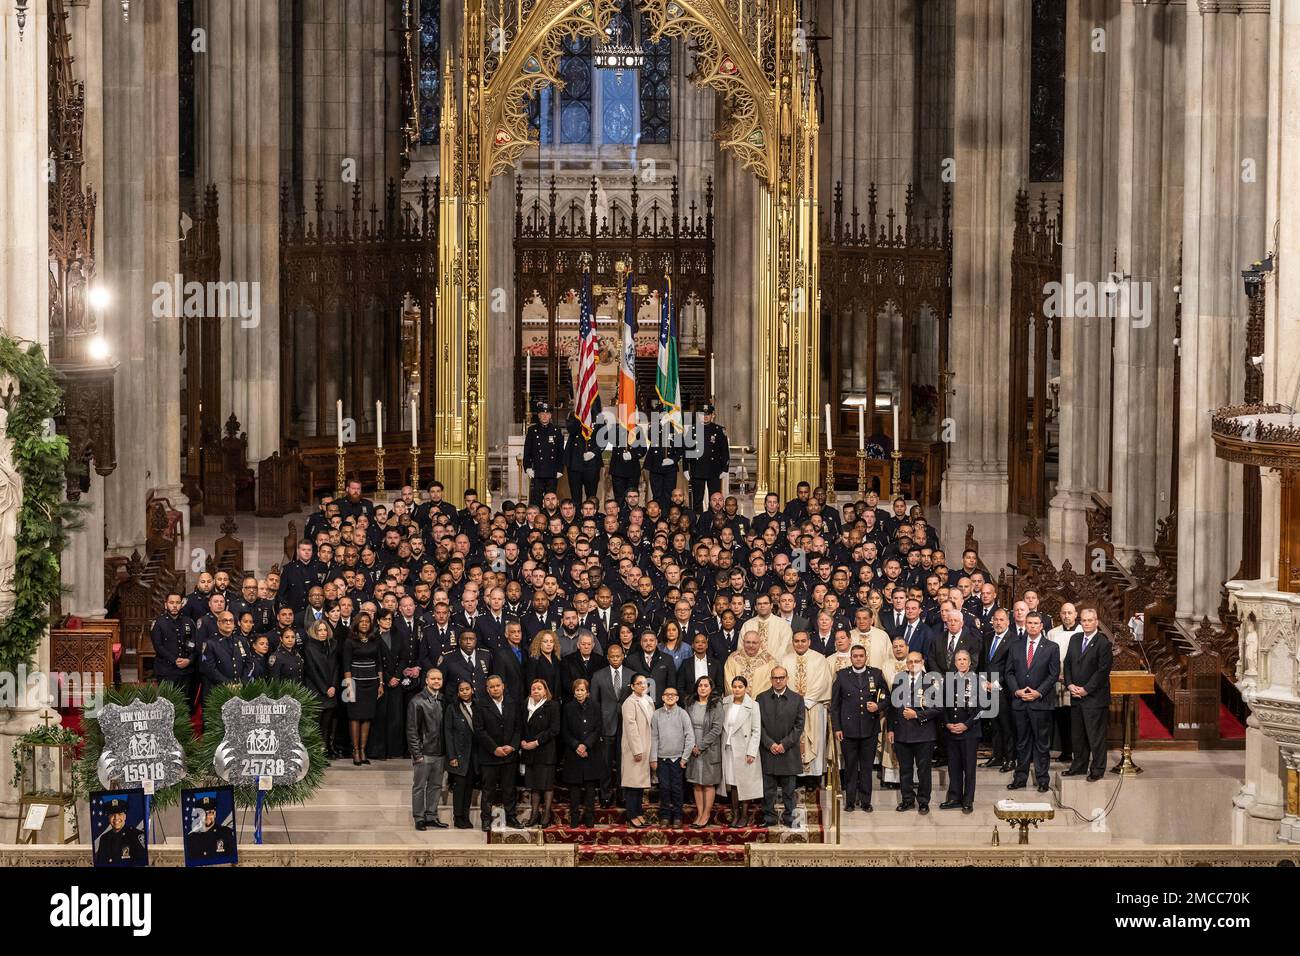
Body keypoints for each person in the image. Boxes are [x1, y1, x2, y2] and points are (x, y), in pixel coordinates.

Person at [1005, 611, 1060, 793]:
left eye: (1036, 623)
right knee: (1021, 742)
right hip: (1020, 702)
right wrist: (1017, 691)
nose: (1033, 626)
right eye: (1029, 623)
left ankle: (1042, 779)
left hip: (1040, 702)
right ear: (1025, 625)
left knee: (1041, 743)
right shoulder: (1015, 646)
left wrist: (1038, 692)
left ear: (1042, 625)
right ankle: (1020, 778)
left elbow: (1053, 675)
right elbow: (1009, 672)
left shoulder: (1051, 647)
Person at [830, 644, 887, 812]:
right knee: (850, 767)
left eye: (861, 656)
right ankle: (850, 801)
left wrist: (878, 706)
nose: (858, 659)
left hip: (869, 728)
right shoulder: (842, 675)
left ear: (865, 657)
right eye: (855, 656)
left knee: (867, 767)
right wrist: (837, 728)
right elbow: (835, 706)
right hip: (848, 729)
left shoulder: (875, 674)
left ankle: (866, 801)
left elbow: (886, 697)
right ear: (851, 658)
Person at [1062, 606, 1113, 781]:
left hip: (1094, 698)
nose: (1087, 623)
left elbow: (1102, 672)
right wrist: (1069, 684)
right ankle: (1079, 766)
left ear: (1096, 622)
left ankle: (1097, 769)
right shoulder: (1075, 639)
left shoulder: (1103, 643)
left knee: (1095, 736)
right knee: (1078, 735)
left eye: (1090, 620)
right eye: (1084, 620)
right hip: (1076, 695)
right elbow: (1067, 663)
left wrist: (1085, 689)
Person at [888, 650, 938, 813]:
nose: (913, 664)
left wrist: (917, 714)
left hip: (923, 733)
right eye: (910, 661)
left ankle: (923, 801)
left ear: (922, 662)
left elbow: (938, 708)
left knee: (924, 771)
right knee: (905, 769)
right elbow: (892, 706)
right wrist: (890, 729)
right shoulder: (899, 679)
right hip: (902, 733)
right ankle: (907, 799)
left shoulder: (930, 681)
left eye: (916, 661)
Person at [756, 667, 805, 827]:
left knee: (789, 790)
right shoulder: (761, 698)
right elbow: (757, 725)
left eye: (781, 677)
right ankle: (768, 817)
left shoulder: (797, 699)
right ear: (770, 679)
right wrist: (769, 744)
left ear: (787, 678)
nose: (778, 680)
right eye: (775, 678)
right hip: (768, 750)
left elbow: (799, 725)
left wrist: (784, 744)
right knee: (768, 790)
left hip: (788, 752)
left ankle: (789, 817)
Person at [782, 631, 832, 786]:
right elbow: (782, 682)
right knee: (794, 740)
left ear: (809, 642)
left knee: (815, 741)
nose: (800, 644)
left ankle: (813, 779)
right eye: (796, 641)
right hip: (790, 709)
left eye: (803, 641)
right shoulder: (785, 659)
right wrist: (794, 702)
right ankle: (795, 775)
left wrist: (804, 701)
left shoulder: (819, 659)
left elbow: (823, 682)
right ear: (792, 642)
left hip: (814, 707)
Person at [473, 675, 522, 830]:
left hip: (509, 755)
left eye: (497, 686)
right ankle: (486, 820)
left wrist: (512, 746)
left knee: (509, 789)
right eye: (492, 687)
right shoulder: (480, 705)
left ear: (503, 686)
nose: (495, 689)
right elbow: (479, 731)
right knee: (488, 790)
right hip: (489, 756)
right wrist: (494, 748)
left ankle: (511, 817)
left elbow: (518, 728)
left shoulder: (512, 703)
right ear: (487, 690)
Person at [591, 643, 633, 805]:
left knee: (624, 763)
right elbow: (594, 704)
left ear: (623, 656)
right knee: (605, 764)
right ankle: (606, 795)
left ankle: (623, 795)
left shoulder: (632, 675)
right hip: (606, 726)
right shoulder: (598, 675)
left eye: (618, 656)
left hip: (626, 725)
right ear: (608, 658)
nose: (615, 659)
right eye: (612, 656)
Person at [407, 667, 449, 829]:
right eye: (433, 679)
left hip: (440, 752)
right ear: (426, 680)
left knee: (436, 786)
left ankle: (431, 815)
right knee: (419, 787)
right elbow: (412, 730)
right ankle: (419, 817)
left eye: (439, 679)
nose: (436, 681)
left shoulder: (444, 700)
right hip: (424, 753)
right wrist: (416, 754)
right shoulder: (417, 701)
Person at [560, 678, 605, 827]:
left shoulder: (595, 706)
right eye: (577, 690)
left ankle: (589, 817)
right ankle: (574, 817)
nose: (580, 693)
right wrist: (576, 746)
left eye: (582, 690)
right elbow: (564, 731)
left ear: (587, 692)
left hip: (591, 751)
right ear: (573, 692)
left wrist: (586, 745)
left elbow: (598, 729)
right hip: (573, 753)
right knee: (574, 788)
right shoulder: (567, 708)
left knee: (590, 788)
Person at [940, 650, 981, 813]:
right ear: (954, 663)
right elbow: (942, 705)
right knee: (954, 766)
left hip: (970, 731)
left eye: (965, 659)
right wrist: (947, 723)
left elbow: (982, 708)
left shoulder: (977, 680)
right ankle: (954, 797)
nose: (962, 662)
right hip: (952, 731)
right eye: (959, 659)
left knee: (969, 768)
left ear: (970, 663)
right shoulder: (948, 681)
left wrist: (966, 724)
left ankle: (968, 799)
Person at [341, 613, 384, 765]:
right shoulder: (349, 641)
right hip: (354, 683)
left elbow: (379, 663)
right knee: (354, 717)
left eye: (367, 621)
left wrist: (381, 683)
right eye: (362, 621)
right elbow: (346, 665)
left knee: (367, 717)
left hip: (371, 683)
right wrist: (348, 687)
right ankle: (355, 751)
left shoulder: (375, 640)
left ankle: (363, 750)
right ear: (356, 624)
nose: (365, 624)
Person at [650, 685, 695, 826]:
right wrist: (653, 758)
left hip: (677, 760)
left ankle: (677, 817)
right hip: (661, 759)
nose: (670, 696)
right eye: (667, 694)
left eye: (673, 694)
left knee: (676, 788)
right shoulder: (657, 714)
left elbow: (690, 736)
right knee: (664, 788)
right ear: (662, 697)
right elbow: (654, 737)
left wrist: (685, 758)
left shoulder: (682, 714)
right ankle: (664, 816)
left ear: (677, 698)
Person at [721, 676, 763, 825]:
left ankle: (744, 815)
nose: (737, 689)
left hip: (744, 750)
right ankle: (735, 813)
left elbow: (756, 730)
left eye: (740, 687)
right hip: (728, 748)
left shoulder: (753, 705)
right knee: (732, 783)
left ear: (746, 688)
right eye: (735, 686)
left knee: (744, 783)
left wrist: (751, 751)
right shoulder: (725, 702)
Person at [520, 678, 561, 826]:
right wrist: (522, 741)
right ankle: (534, 814)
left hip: (546, 751)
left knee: (547, 785)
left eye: (539, 688)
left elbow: (554, 729)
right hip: (529, 753)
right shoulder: (525, 705)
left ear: (545, 691)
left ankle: (546, 814)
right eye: (533, 689)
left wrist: (536, 742)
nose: (536, 691)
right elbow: (521, 725)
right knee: (534, 786)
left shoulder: (552, 705)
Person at [686, 676, 723, 827]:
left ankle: (706, 814)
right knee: (696, 783)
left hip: (708, 748)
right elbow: (686, 725)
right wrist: (692, 745)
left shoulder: (716, 704)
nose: (702, 688)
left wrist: (700, 746)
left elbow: (716, 729)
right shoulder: (690, 703)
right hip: (692, 747)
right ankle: (700, 813)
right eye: (700, 685)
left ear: (711, 688)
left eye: (706, 685)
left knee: (707, 783)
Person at [981, 608, 1016, 771]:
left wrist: (995, 684)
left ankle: (1010, 758)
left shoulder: (1014, 640)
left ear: (1008, 622)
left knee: (1006, 725)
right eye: (996, 620)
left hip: (1003, 689)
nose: (998, 623)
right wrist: (983, 681)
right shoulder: (987, 637)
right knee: (994, 724)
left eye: (1002, 620)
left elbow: (1011, 667)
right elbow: (983, 662)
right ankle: (997, 755)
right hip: (986, 688)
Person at [619, 673, 655, 827]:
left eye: (644, 683)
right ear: (632, 686)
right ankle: (632, 814)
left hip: (647, 745)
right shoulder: (629, 702)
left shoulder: (648, 700)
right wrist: (637, 750)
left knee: (640, 784)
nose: (642, 685)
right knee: (633, 783)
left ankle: (639, 812)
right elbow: (631, 727)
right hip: (635, 747)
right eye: (638, 683)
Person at [1049, 602, 1082, 764]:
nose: (1066, 616)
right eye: (1064, 613)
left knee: (1075, 718)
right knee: (1061, 717)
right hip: (1057, 681)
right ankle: (1066, 750)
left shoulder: (1083, 631)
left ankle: (1079, 751)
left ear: (1076, 615)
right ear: (1060, 615)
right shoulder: (1052, 633)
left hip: (1076, 682)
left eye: (1070, 613)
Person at [303, 620, 340, 757]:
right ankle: (314, 755)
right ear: (314, 632)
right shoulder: (309, 647)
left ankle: (323, 753)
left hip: (331, 690)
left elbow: (337, 667)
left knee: (327, 726)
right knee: (316, 725)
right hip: (316, 691)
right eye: (320, 630)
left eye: (325, 630)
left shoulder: (333, 645)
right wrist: (325, 689)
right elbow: (311, 671)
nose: (323, 633)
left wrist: (333, 686)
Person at [444, 679, 478, 829]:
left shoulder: (479, 707)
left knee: (469, 787)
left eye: (467, 689)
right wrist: (451, 756)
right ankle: (458, 817)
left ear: (472, 690)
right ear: (458, 693)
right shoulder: (452, 708)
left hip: (474, 756)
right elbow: (448, 733)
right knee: (459, 788)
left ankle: (466, 816)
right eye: (461, 690)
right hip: (458, 755)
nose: (465, 692)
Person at [687, 402, 729, 512]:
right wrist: (686, 469)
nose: (705, 417)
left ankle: (714, 521)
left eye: (708, 414)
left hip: (714, 470)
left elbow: (724, 451)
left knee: (715, 499)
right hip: (697, 469)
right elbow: (687, 450)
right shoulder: (692, 430)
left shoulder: (719, 430)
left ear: (712, 415)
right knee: (697, 500)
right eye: (703, 414)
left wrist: (725, 468)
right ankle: (697, 522)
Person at [523, 401, 564, 506]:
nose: (544, 416)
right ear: (539, 415)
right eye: (542, 414)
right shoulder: (532, 430)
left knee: (551, 501)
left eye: (547, 414)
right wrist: (527, 467)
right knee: (536, 500)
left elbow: (560, 452)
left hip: (552, 473)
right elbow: (527, 450)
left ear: (550, 415)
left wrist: (560, 469)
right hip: (537, 472)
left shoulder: (556, 431)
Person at [739, 593, 793, 659]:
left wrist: (772, 663)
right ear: (755, 607)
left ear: (771, 605)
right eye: (759, 604)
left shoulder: (783, 624)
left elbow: (786, 648)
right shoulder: (747, 625)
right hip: (751, 665)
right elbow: (741, 648)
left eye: (765, 603)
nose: (762, 606)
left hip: (776, 665)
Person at [94, 796, 146, 865]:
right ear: (108, 817)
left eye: (119, 814)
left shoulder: (136, 835)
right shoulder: (104, 838)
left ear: (125, 816)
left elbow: (142, 863)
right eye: (112, 814)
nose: (116, 818)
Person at [186, 794, 236, 861]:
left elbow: (232, 859)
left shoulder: (226, 833)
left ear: (215, 814)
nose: (207, 817)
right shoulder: (192, 838)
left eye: (210, 813)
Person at [526, 630, 564, 703]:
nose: (549, 644)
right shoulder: (534, 660)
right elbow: (530, 684)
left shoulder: (557, 659)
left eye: (551, 641)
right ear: (539, 643)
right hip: (540, 701)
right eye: (545, 641)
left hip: (556, 701)